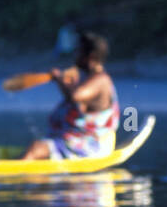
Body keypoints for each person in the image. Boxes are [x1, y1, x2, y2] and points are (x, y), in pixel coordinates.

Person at [21, 31, 119, 160]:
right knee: (36, 147)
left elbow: (74, 95)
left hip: (90, 145)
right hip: (73, 139)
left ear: (91, 56)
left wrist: (59, 78)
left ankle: (10, 175)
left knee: (36, 149)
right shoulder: (86, 77)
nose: (75, 55)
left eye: (79, 51)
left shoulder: (101, 80)